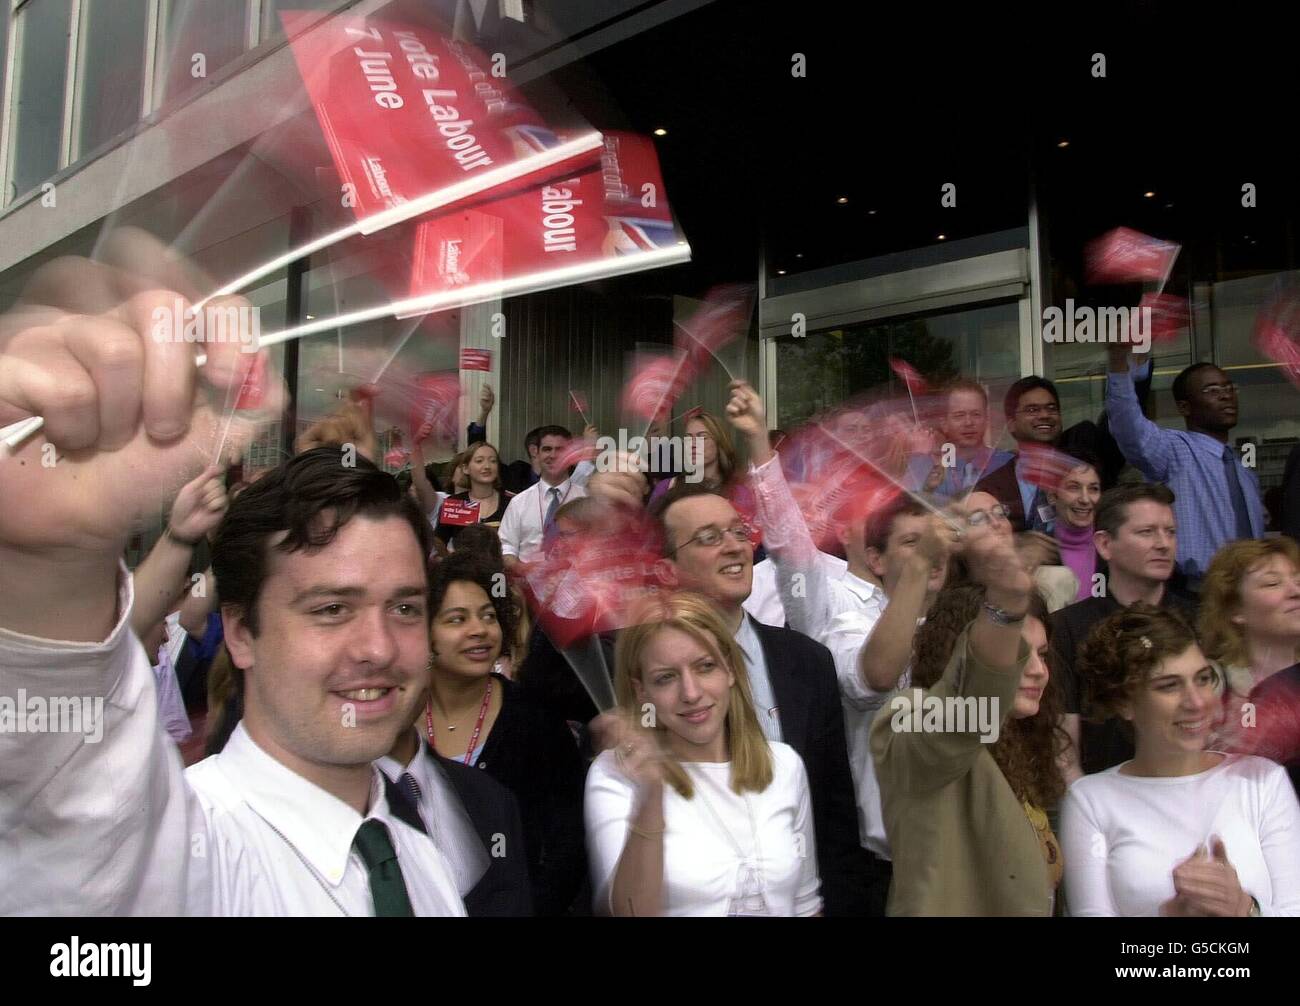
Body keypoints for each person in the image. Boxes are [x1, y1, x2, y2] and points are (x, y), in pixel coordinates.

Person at [586, 454, 870, 915]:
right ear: (665, 569)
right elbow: (552, 670)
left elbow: (834, 822)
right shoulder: (619, 657)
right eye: (708, 538)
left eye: (739, 532)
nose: (736, 547)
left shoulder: (807, 661)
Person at [728, 379, 951, 914]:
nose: (929, 557)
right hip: (872, 856)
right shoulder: (830, 603)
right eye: (913, 546)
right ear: (874, 555)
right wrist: (760, 445)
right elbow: (788, 546)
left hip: (949, 842)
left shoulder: (950, 614)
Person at [584, 591, 821, 916]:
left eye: (705, 667)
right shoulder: (616, 773)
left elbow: (806, 905)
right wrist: (650, 794)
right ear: (641, 691)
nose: (691, 693)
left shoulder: (784, 765)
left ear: (731, 670)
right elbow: (628, 911)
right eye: (666, 678)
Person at [871, 534, 1066, 916]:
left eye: (1043, 655)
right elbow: (972, 713)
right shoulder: (912, 719)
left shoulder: (1026, 740)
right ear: (959, 653)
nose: (1039, 672)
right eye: (1019, 653)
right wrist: (1003, 608)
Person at [1061, 605, 1300, 916]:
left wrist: (1244, 909)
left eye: (1203, 679)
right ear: (1124, 702)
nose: (1197, 702)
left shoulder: (1262, 780)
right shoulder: (1090, 800)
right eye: (1169, 686)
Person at [419, 551, 588, 915]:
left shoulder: (537, 720)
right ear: (425, 633)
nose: (479, 629)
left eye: (488, 616)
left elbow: (567, 849)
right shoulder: (397, 722)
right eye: (456, 619)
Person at [1053, 482, 1193, 781]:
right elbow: (1063, 748)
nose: (1163, 544)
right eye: (1147, 532)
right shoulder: (1067, 627)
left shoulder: (1201, 620)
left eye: (1170, 532)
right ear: (1104, 544)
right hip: (1103, 799)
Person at [1106, 344, 1266, 588]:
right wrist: (1118, 363)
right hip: (1194, 593)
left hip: (1246, 595)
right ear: (1184, 407)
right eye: (1212, 390)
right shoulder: (1176, 450)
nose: (1226, 395)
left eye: (1228, 388)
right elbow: (1129, 427)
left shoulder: (1243, 472)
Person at [975, 368, 1148, 531]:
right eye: (1032, 410)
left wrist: (1130, 367)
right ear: (1011, 424)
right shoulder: (990, 486)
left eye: (1051, 408)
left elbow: (1124, 423)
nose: (1044, 415)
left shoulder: (1087, 462)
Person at [1198, 538, 1300, 784]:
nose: (1296, 591)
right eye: (1272, 583)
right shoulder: (1208, 686)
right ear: (1236, 611)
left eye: (1298, 580)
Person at [497, 425, 588, 569]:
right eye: (547, 449)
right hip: (527, 584)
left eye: (560, 450)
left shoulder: (587, 500)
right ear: (537, 454)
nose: (553, 455)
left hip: (577, 585)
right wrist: (519, 568)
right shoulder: (519, 502)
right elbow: (506, 546)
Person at [905, 378, 1014, 499]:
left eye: (976, 414)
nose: (968, 422)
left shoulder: (1007, 464)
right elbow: (912, 507)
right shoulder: (931, 469)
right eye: (959, 415)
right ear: (944, 424)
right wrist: (919, 457)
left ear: (986, 420)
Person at [433, 441, 513, 552]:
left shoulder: (512, 503)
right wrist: (452, 560)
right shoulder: (455, 503)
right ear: (465, 468)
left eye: (493, 461)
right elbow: (439, 539)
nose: (487, 466)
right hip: (464, 568)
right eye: (479, 461)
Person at [1047, 453, 1102, 603]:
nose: (1085, 499)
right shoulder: (1039, 552)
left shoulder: (1113, 547)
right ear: (1052, 495)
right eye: (1074, 488)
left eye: (1093, 489)